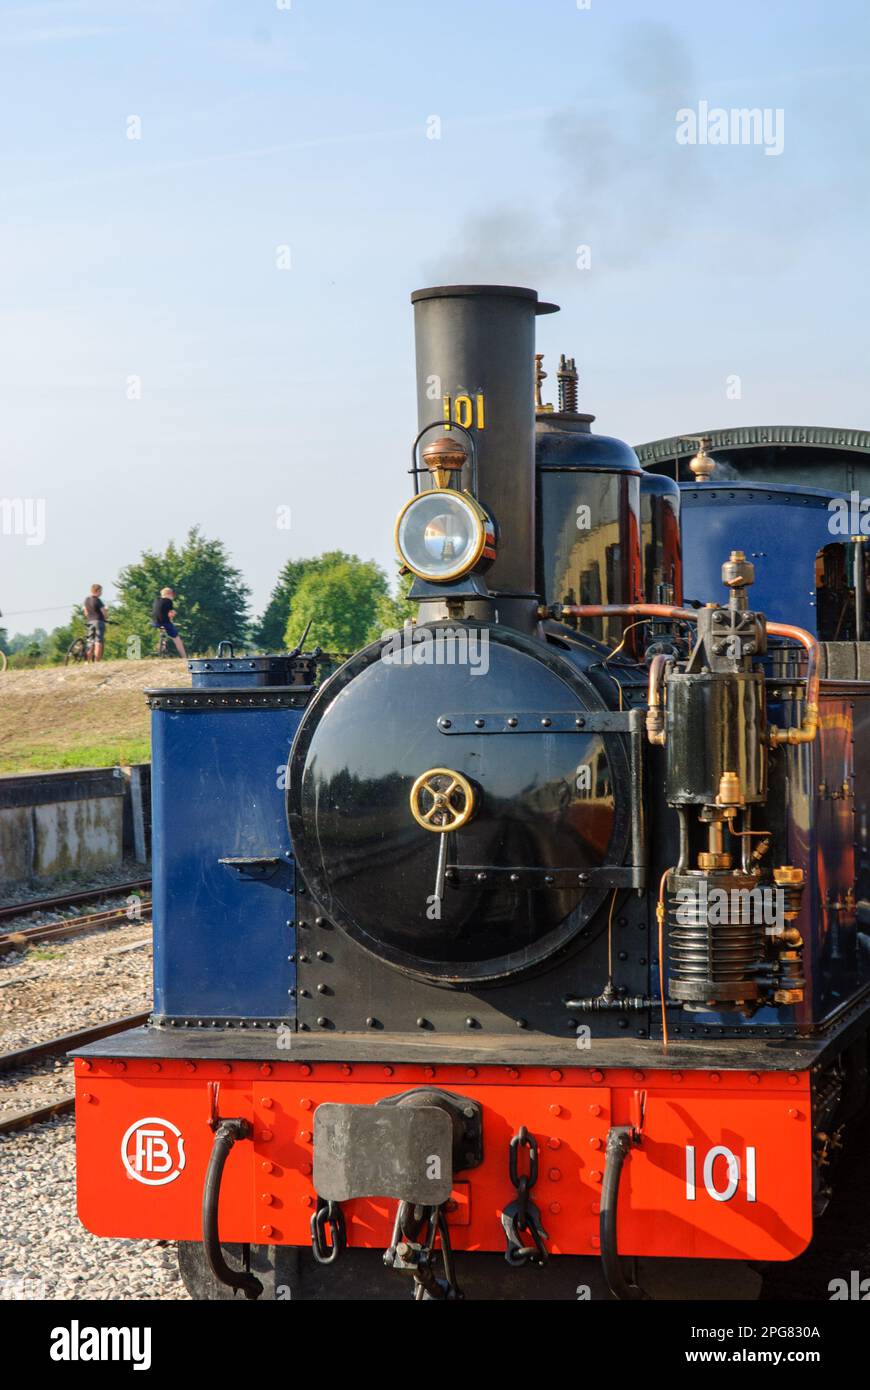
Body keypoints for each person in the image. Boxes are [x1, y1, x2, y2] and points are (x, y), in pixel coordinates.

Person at [151, 587, 187, 658]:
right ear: (169, 594)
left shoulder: (156, 600)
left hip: (155, 622)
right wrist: (173, 616)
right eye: (172, 595)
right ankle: (184, 657)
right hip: (165, 622)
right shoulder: (168, 601)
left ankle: (158, 650)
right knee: (176, 638)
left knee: (161, 633)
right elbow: (170, 614)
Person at [82, 584, 107, 662]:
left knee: (90, 642)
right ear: (97, 591)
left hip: (90, 622)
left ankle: (87, 661)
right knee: (98, 642)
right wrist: (106, 616)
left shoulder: (86, 600)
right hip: (99, 622)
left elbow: (86, 613)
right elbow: (104, 613)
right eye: (101, 591)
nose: (101, 593)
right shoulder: (98, 600)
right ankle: (97, 661)